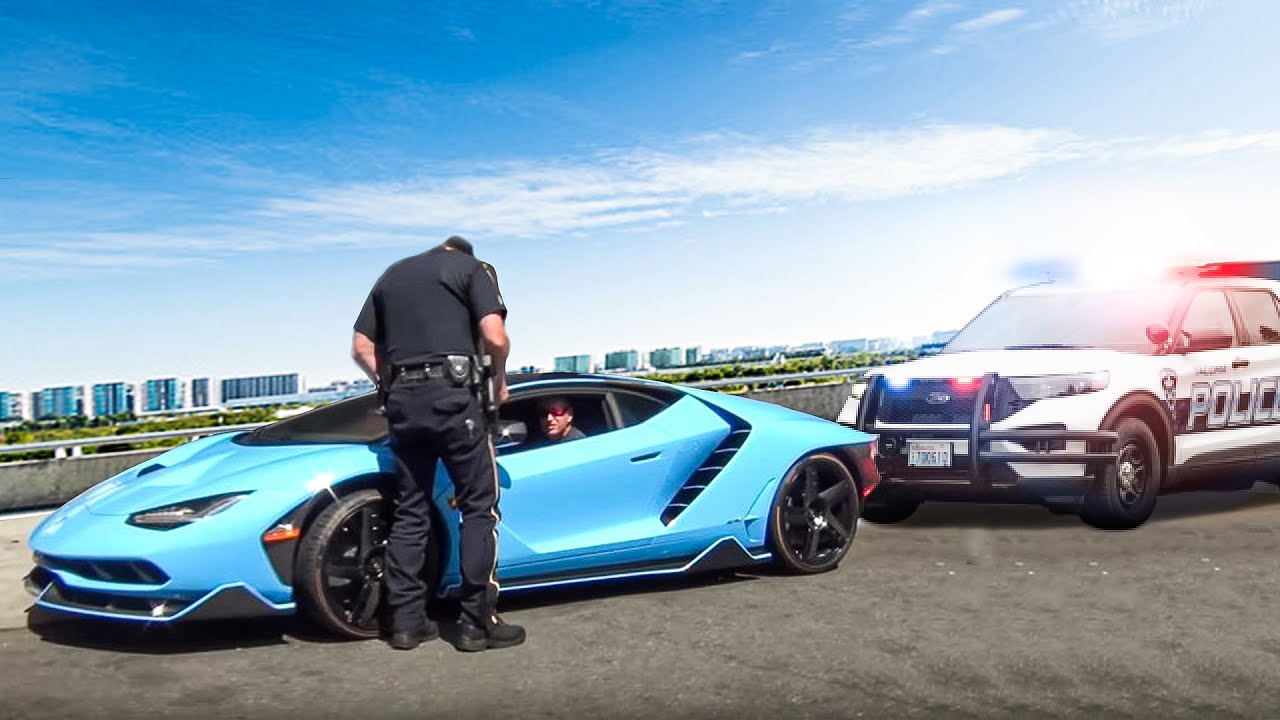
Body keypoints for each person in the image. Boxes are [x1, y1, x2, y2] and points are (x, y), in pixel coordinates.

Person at [351, 235, 525, 653]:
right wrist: (498, 381)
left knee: (410, 511)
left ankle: (407, 623)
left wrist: (390, 384)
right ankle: (475, 623)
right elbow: (495, 337)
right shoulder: (473, 269)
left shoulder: (391, 275)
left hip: (403, 405)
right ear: (463, 253)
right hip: (454, 398)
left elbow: (360, 348)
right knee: (478, 509)